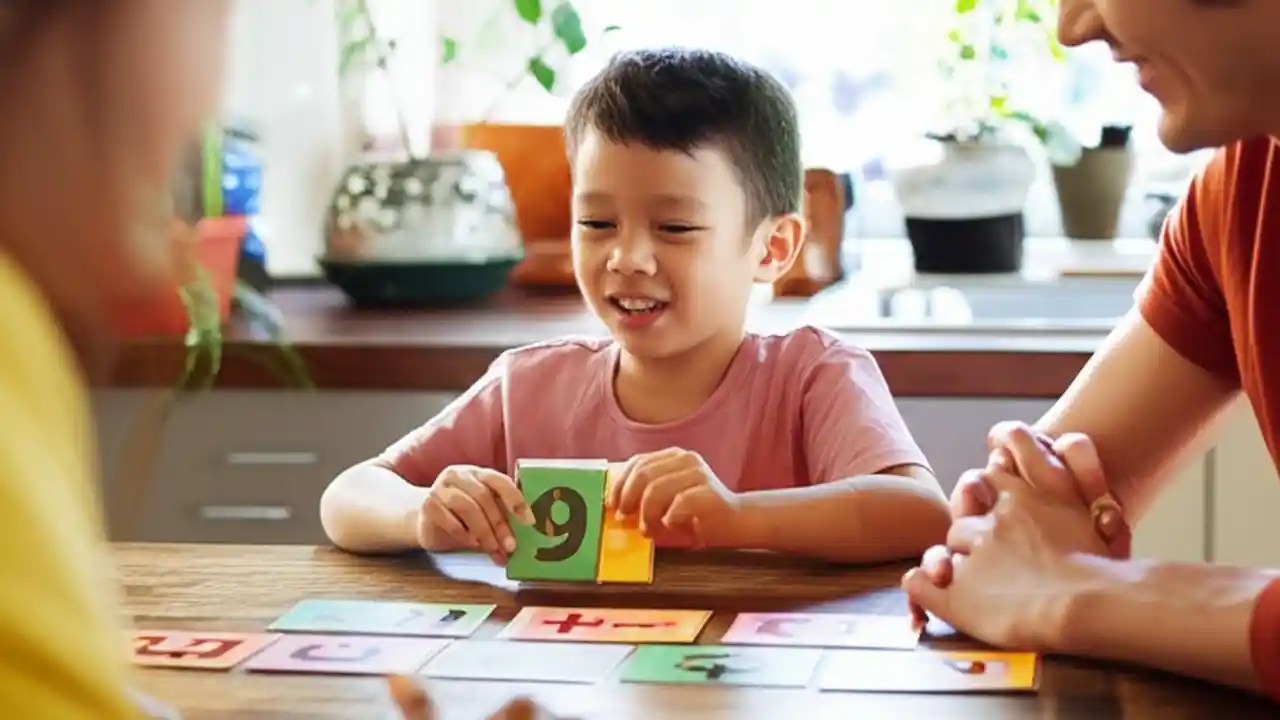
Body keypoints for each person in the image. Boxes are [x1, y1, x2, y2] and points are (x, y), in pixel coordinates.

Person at [320, 48, 951, 565]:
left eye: (674, 228)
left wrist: (735, 517)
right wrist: (419, 513)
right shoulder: (528, 384)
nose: (627, 258)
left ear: (772, 246)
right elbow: (347, 496)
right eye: (596, 222)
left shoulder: (815, 374)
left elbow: (920, 514)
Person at [902, 0, 1280, 701]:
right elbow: (1015, 524)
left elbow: (1049, 578)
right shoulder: (1241, 196)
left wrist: (1087, 595)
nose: (1074, 26)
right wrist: (1023, 549)